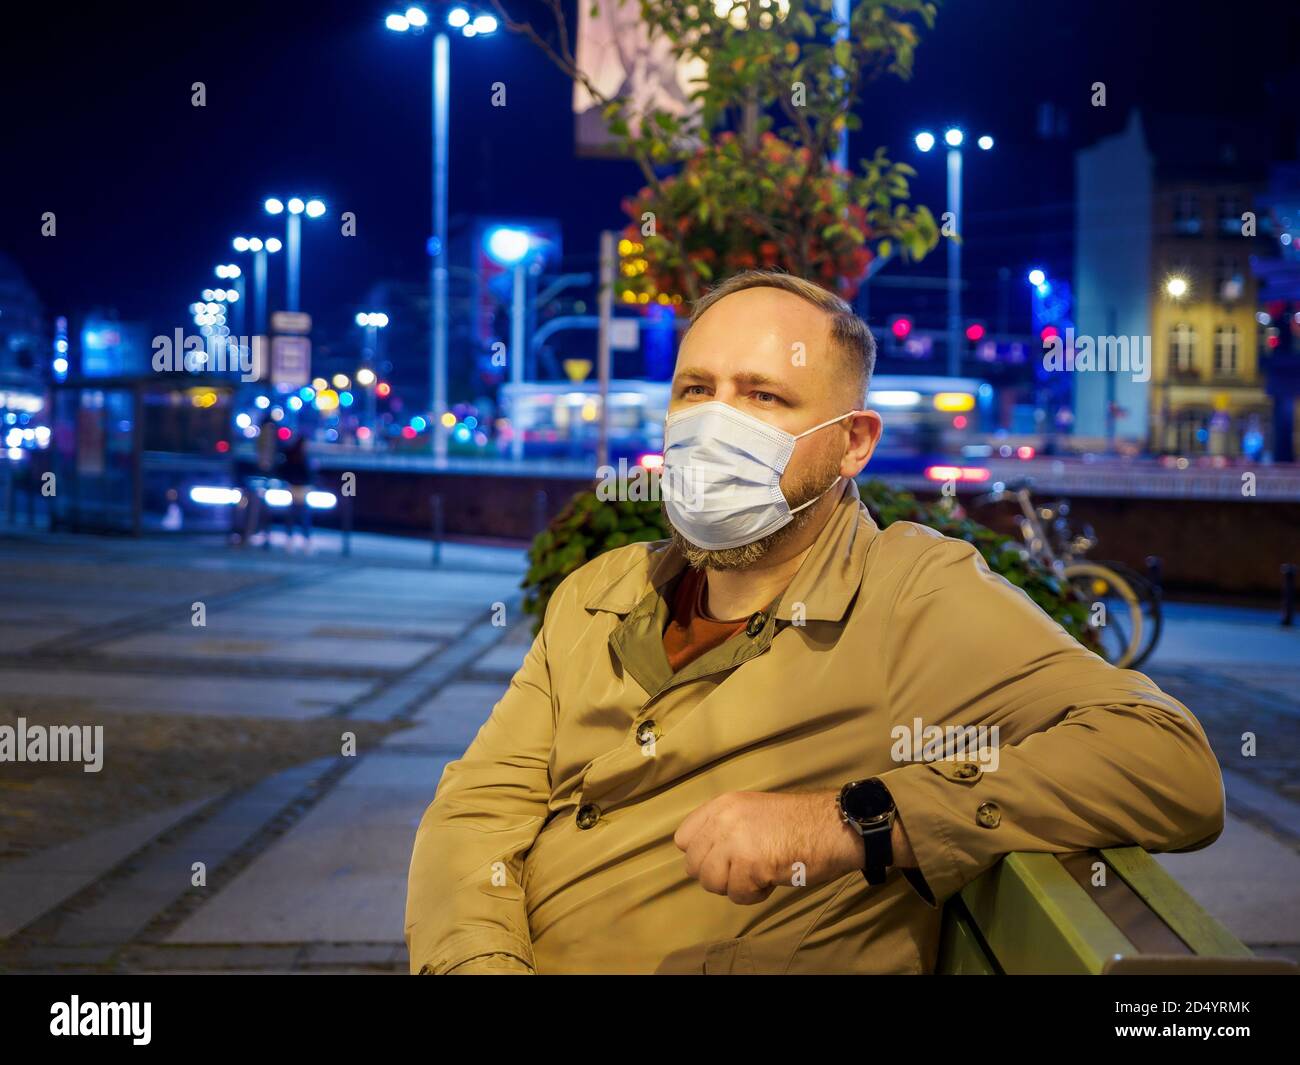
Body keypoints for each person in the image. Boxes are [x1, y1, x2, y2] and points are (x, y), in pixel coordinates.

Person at [404, 270, 1225, 975]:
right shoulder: (601, 591)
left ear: (853, 443)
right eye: (697, 389)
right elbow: (477, 812)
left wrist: (851, 819)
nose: (714, 422)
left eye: (763, 395)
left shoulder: (910, 592)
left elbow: (1168, 760)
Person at [277, 434, 313, 552]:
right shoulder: (303, 458)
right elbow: (307, 474)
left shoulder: (291, 455)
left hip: (292, 488)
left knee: (293, 516)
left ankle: (290, 541)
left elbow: (284, 470)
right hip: (301, 489)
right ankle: (305, 542)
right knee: (303, 517)